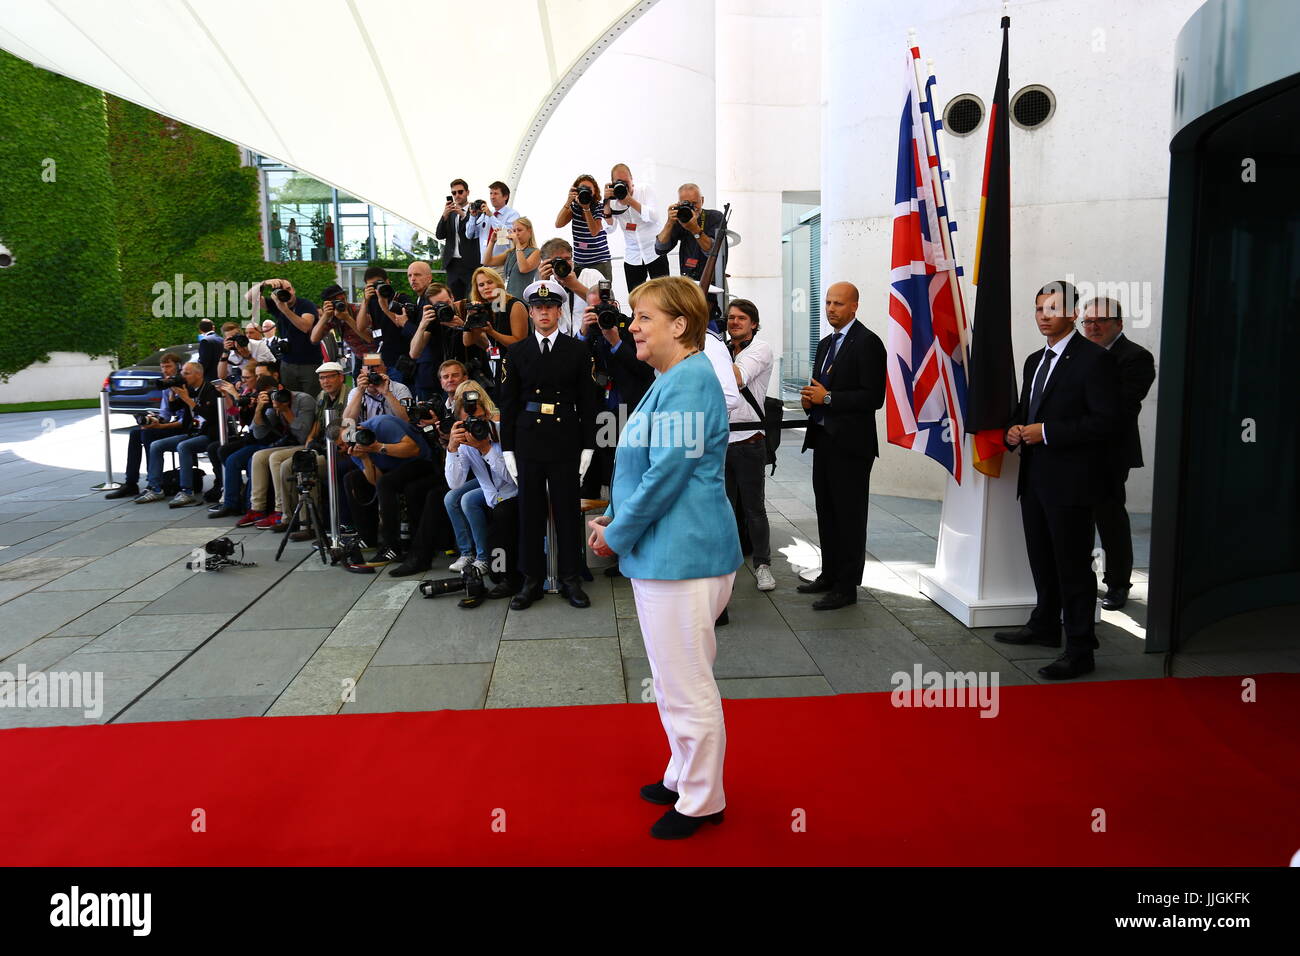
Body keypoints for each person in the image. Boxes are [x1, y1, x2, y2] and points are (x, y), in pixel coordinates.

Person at [586, 276, 741, 840]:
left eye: (644, 317)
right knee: (673, 677)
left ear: (680, 325)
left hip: (684, 556)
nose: (632, 326)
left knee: (686, 683)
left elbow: (667, 474)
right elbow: (643, 470)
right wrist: (612, 513)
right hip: (670, 553)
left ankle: (703, 799)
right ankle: (682, 774)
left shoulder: (690, 380)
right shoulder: (675, 377)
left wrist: (616, 533)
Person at [995, 280, 1121, 680]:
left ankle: (1081, 647)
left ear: (1072, 312)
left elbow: (1105, 423)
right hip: (1033, 478)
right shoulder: (1035, 359)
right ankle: (1045, 625)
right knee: (1042, 558)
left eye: (1052, 309)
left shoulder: (1094, 360)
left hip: (1071, 482)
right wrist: (1014, 430)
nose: (1044, 317)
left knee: (1072, 566)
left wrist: (1045, 432)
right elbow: (1024, 409)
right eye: (1038, 309)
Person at [499, 279, 600, 609]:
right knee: (530, 513)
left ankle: (570, 577)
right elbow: (509, 404)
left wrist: (588, 447)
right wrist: (508, 449)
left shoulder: (577, 350)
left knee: (568, 512)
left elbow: (588, 403)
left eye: (550, 307)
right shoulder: (517, 352)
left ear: (559, 312)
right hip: (528, 441)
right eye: (538, 308)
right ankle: (531, 579)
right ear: (530, 313)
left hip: (565, 439)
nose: (544, 312)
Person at [797, 282, 887, 610]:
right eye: (828, 302)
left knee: (849, 516)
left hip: (851, 445)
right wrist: (812, 402)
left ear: (854, 307)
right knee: (827, 512)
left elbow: (873, 397)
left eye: (838, 303)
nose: (831, 308)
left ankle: (847, 586)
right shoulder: (825, 344)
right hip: (823, 440)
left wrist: (829, 398)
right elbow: (820, 388)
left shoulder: (868, 343)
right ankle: (830, 574)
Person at [1079, 296, 1155, 611]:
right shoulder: (1076, 354)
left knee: (1109, 518)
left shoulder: (1136, 357)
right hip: (1073, 448)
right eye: (1088, 321)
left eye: (1101, 321)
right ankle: (1080, 579)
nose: (1093, 326)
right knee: (1075, 517)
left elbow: (1119, 407)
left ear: (1119, 324)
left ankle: (1118, 584)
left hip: (1109, 452)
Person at [726, 299, 776, 592]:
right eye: (731, 318)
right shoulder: (721, 347)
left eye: (741, 318)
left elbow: (737, 377)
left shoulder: (761, 348)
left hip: (749, 441)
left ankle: (763, 566)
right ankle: (727, 566)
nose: (734, 322)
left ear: (753, 323)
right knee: (725, 509)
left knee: (754, 509)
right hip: (721, 440)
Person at [442, 381, 517, 573]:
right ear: (459, 421)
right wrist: (452, 449)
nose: (477, 426)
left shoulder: (504, 430)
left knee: (501, 573)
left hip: (516, 498)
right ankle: (476, 556)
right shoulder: (464, 440)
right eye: (470, 421)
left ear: (487, 414)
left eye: (481, 419)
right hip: (493, 501)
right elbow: (455, 483)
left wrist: (486, 448)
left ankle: (487, 558)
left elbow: (515, 479)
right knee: (463, 498)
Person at [344, 412, 436, 564]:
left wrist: (377, 447)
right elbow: (376, 481)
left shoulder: (382, 424)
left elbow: (414, 449)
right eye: (343, 445)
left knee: (387, 483)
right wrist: (365, 458)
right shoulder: (354, 447)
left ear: (358, 428)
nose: (348, 444)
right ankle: (368, 537)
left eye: (351, 436)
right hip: (392, 469)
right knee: (352, 479)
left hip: (420, 461)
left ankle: (392, 546)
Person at [135, 361, 221, 508]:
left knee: (183, 446)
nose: (183, 376)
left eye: (186, 373)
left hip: (209, 434)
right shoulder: (188, 388)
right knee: (156, 445)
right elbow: (175, 408)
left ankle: (187, 491)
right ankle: (155, 487)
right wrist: (173, 393)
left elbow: (210, 416)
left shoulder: (211, 390)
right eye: (182, 373)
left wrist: (187, 398)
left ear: (198, 374)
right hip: (192, 432)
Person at [105, 352, 186, 500]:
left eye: (168, 366)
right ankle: (131, 483)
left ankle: (154, 483)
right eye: (163, 367)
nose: (165, 370)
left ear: (178, 367)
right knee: (136, 433)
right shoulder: (166, 385)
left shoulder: (184, 385)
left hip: (185, 426)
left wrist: (161, 426)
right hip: (173, 424)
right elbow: (165, 413)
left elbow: (186, 419)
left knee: (148, 434)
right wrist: (154, 420)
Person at [247, 278, 321, 397]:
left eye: (289, 289)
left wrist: (284, 310)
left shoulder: (306, 305)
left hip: (309, 363)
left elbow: (305, 326)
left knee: (312, 399)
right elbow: (249, 297)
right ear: (276, 294)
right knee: (289, 400)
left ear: (294, 290)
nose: (288, 293)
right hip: (287, 363)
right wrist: (263, 283)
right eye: (282, 291)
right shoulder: (276, 304)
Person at [461, 266, 528, 392]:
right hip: (498, 366)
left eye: (490, 282)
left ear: (498, 283)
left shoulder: (514, 305)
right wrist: (469, 317)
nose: (486, 287)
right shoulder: (484, 309)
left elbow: (519, 343)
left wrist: (492, 332)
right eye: (481, 285)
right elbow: (467, 341)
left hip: (519, 366)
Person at [603, 163, 667, 291]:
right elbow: (610, 228)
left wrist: (630, 201)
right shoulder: (612, 199)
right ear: (612, 183)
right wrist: (606, 202)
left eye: (626, 181)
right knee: (635, 297)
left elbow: (654, 217)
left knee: (663, 295)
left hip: (654, 251)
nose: (624, 185)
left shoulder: (645, 190)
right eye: (619, 182)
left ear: (632, 180)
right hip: (632, 256)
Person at [655, 183, 726, 284]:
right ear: (679, 203)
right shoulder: (679, 219)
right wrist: (669, 223)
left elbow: (712, 250)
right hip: (687, 280)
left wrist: (694, 229)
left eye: (695, 203)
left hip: (712, 281)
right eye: (687, 203)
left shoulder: (715, 216)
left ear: (702, 200)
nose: (692, 207)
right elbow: (660, 249)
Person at [405, 281, 460, 401]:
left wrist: (464, 326)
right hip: (435, 378)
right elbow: (414, 353)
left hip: (462, 379)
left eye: (447, 303)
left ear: (452, 297)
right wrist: (423, 324)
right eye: (439, 305)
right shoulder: (432, 320)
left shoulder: (463, 311)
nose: (445, 307)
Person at [536, 237, 604, 334]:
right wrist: (544, 284)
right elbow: (540, 316)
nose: (563, 264)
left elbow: (606, 305)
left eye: (567, 259)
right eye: (557, 261)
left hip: (590, 337)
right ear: (546, 263)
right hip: (560, 341)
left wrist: (574, 285)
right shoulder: (545, 283)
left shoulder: (591, 275)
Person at [556, 174, 613, 281]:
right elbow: (558, 224)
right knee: (580, 295)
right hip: (579, 262)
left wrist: (586, 209)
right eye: (582, 189)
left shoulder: (599, 207)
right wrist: (568, 201)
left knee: (603, 295)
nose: (585, 192)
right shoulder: (574, 207)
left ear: (595, 191)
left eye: (588, 189)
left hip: (600, 262)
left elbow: (594, 231)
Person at [314, 283, 374, 380]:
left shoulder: (357, 310)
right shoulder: (332, 317)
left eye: (343, 299)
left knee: (370, 380)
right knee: (359, 379)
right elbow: (314, 339)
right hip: (360, 356)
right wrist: (324, 316)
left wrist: (347, 319)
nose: (342, 304)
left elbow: (369, 338)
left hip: (374, 353)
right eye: (336, 301)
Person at [435, 179, 480, 301]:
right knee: (454, 301)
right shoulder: (450, 213)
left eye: (460, 192)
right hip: (452, 264)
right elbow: (439, 235)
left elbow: (471, 234)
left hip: (470, 263)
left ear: (467, 192)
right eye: (454, 193)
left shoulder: (475, 211)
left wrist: (463, 215)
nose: (457, 195)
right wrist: (444, 215)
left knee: (472, 299)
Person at [484, 216, 540, 299]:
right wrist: (492, 242)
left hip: (522, 298)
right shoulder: (511, 252)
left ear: (529, 231)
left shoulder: (536, 252)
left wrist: (517, 244)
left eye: (519, 230)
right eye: (514, 231)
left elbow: (523, 268)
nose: (516, 234)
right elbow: (487, 262)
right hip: (507, 297)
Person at [465, 181, 520, 261]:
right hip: (485, 262)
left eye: (496, 193)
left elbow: (506, 234)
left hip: (503, 262)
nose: (492, 197)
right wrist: (473, 217)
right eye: (491, 193)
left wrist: (491, 216)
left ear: (505, 196)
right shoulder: (485, 214)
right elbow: (470, 235)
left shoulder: (513, 214)